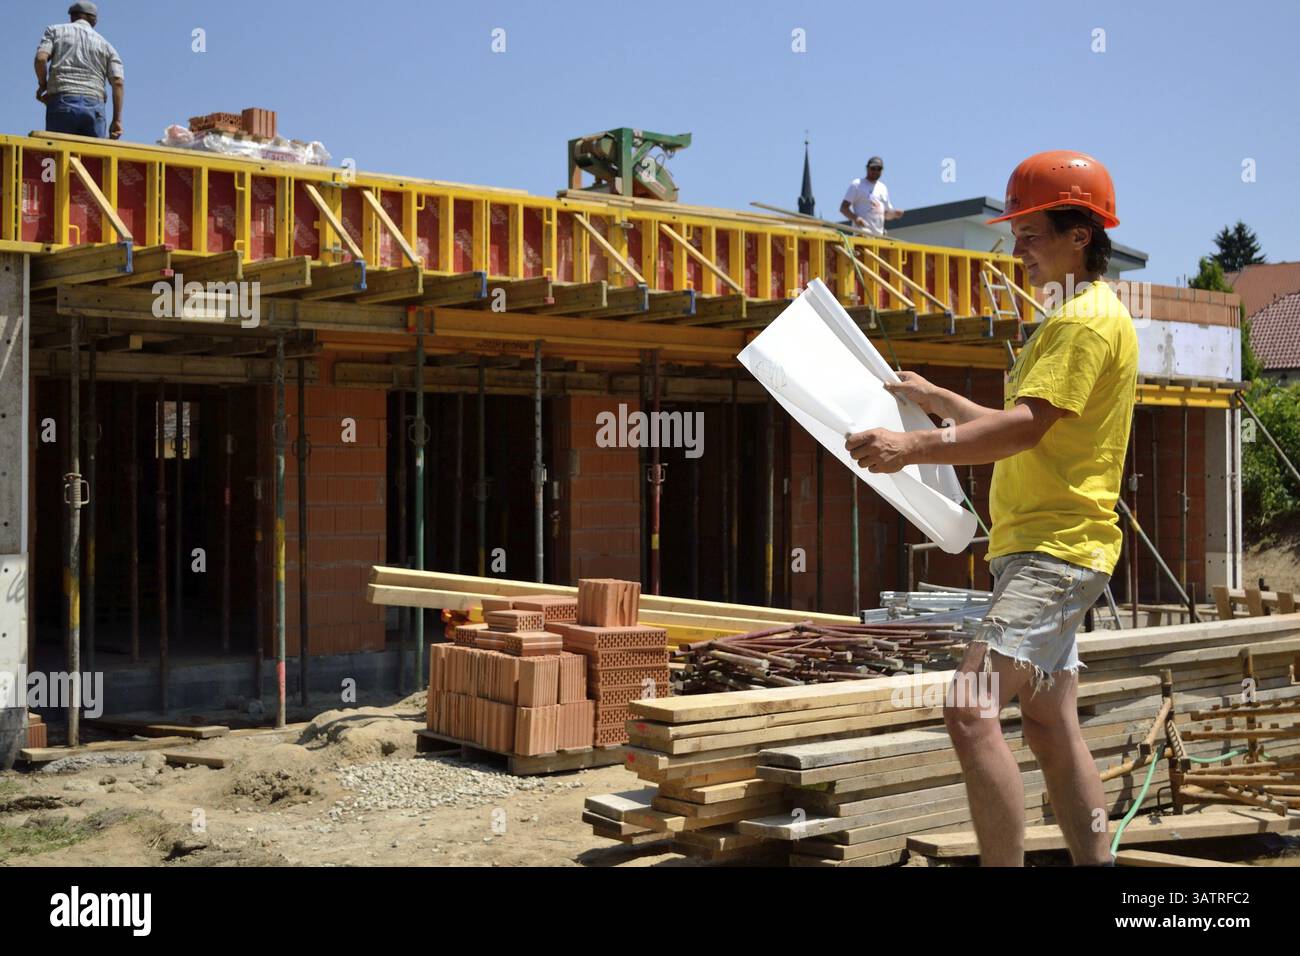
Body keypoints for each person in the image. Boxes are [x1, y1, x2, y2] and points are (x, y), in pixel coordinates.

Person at [843, 150, 1136, 866]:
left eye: (1032, 233)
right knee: (1048, 724)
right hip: (1050, 550)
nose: (1018, 249)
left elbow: (1023, 429)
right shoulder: (1080, 317)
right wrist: (943, 404)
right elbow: (1029, 427)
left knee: (971, 709)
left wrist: (912, 445)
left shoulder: (1081, 325)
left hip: (1054, 552)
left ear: (1080, 235)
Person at [35, 2, 124, 140]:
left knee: (59, 155)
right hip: (95, 108)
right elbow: (118, 82)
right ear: (93, 20)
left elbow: (41, 59)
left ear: (72, 16)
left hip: (62, 102)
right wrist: (117, 121)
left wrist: (43, 84)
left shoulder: (54, 31)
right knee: (91, 158)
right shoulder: (107, 46)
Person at [839, 156, 903, 236]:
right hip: (862, 234)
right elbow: (843, 208)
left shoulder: (883, 188)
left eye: (879, 169)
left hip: (879, 236)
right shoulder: (857, 184)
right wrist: (856, 218)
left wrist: (894, 214)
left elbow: (885, 215)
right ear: (867, 168)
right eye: (873, 168)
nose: (876, 171)